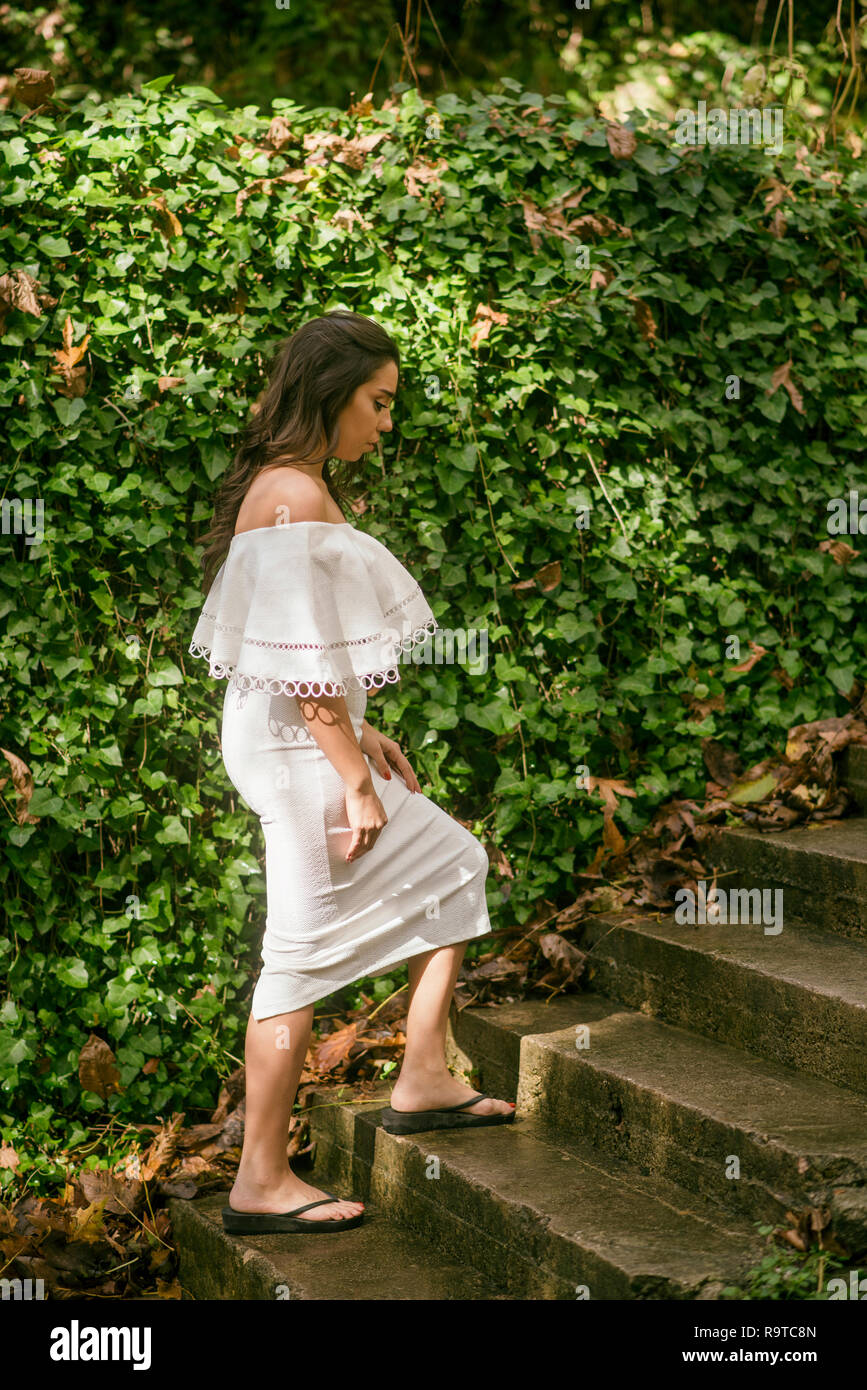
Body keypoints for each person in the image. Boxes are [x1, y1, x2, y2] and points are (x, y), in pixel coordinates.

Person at [189, 310, 516, 1236]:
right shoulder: (290, 489)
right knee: (295, 957)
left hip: (306, 741)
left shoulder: (293, 484)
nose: (385, 423)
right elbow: (297, 669)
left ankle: (422, 1073)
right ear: (331, 395)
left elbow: (302, 649)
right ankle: (258, 1179)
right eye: (376, 403)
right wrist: (353, 774)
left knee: (455, 864)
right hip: (296, 752)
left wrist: (362, 740)